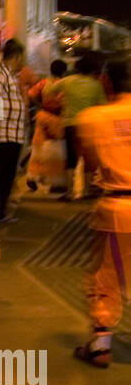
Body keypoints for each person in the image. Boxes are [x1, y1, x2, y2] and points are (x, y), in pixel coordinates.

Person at [74, 60, 131, 367]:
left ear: (107, 83)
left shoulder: (94, 118)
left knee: (106, 276)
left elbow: (92, 164)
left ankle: (101, 345)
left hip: (117, 207)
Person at [0, 38, 27, 222]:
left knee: (7, 176)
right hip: (2, 136)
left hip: (11, 134)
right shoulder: (0, 73)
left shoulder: (9, 74)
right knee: (1, 177)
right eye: (23, 58)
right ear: (17, 57)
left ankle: (1, 210)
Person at [57, 52, 106, 199]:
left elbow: (49, 90)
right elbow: (102, 106)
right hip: (88, 125)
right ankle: (86, 191)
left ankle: (70, 192)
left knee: (71, 159)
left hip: (69, 124)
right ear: (93, 70)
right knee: (88, 159)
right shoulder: (96, 85)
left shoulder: (66, 81)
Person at [25, 60, 67, 193]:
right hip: (57, 120)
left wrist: (40, 104)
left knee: (38, 149)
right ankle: (55, 182)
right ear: (64, 71)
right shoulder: (64, 85)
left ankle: (33, 176)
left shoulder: (43, 83)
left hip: (42, 117)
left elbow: (30, 94)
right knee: (55, 153)